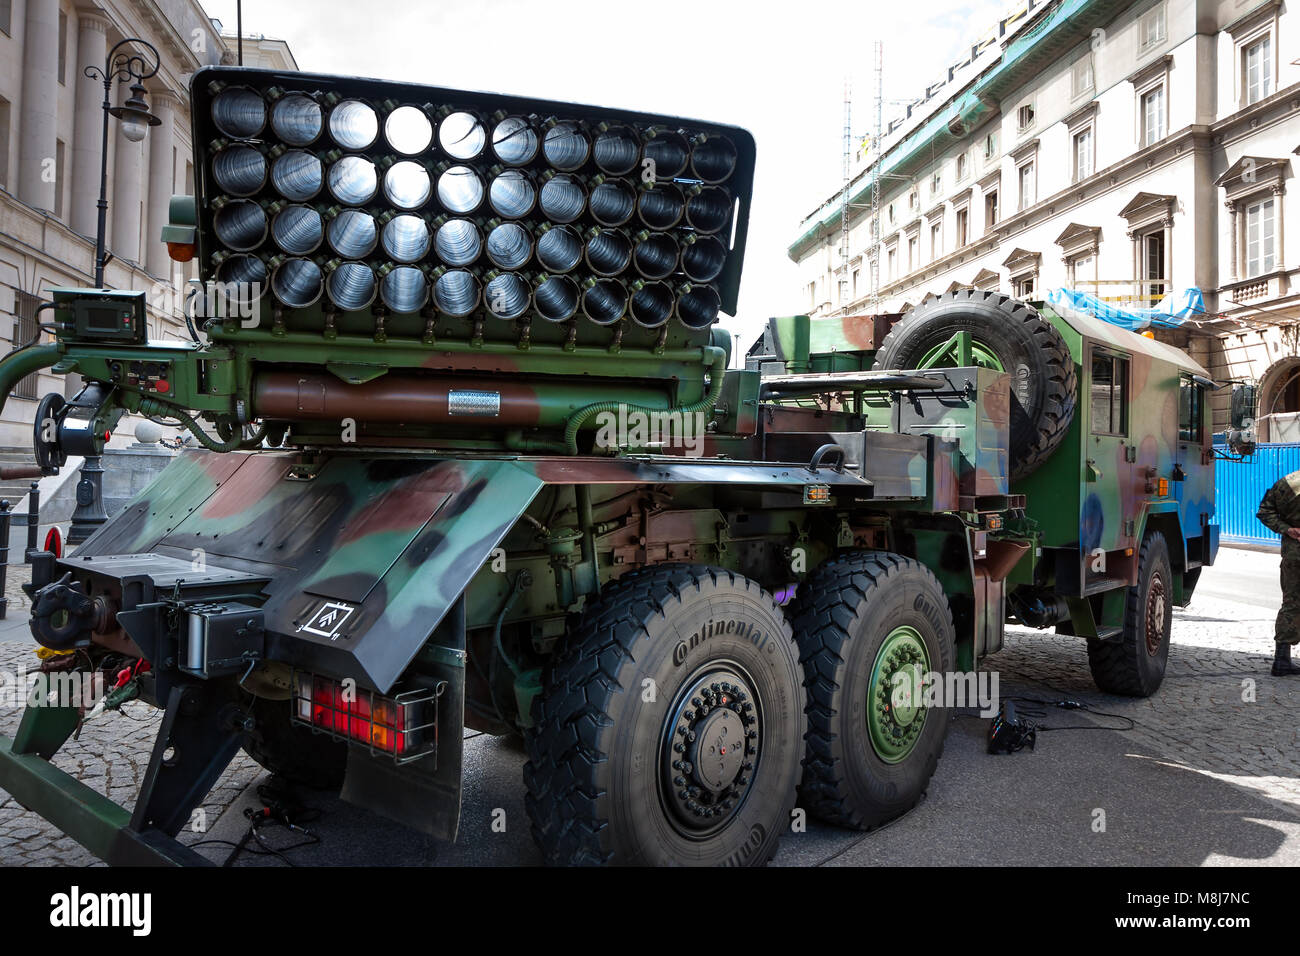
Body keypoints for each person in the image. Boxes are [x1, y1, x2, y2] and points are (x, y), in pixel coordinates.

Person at [1257, 470, 1300, 676]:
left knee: (1291, 604)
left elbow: (1264, 511)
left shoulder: (1287, 483)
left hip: (1293, 553)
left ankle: (1282, 660)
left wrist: (1287, 529)